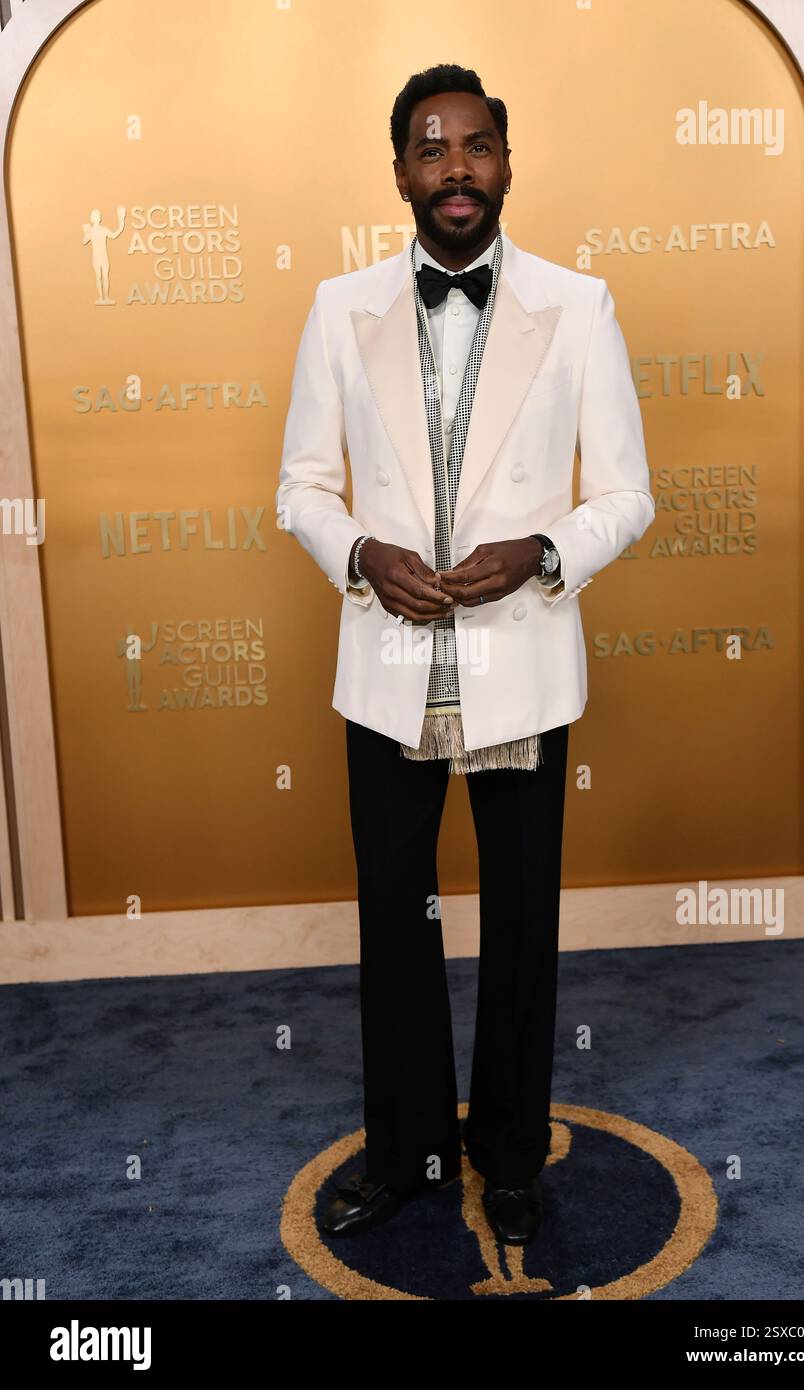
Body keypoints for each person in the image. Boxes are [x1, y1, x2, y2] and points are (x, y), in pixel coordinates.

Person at [276, 63, 655, 1245]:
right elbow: (300, 486)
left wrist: (540, 550)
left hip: (522, 659)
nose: (456, 169)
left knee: (521, 919)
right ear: (399, 173)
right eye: (431, 150)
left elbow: (629, 495)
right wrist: (361, 555)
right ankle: (406, 1153)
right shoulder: (339, 309)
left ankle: (509, 1155)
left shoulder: (578, 305)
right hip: (387, 664)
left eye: (475, 146)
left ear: (507, 161)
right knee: (395, 916)